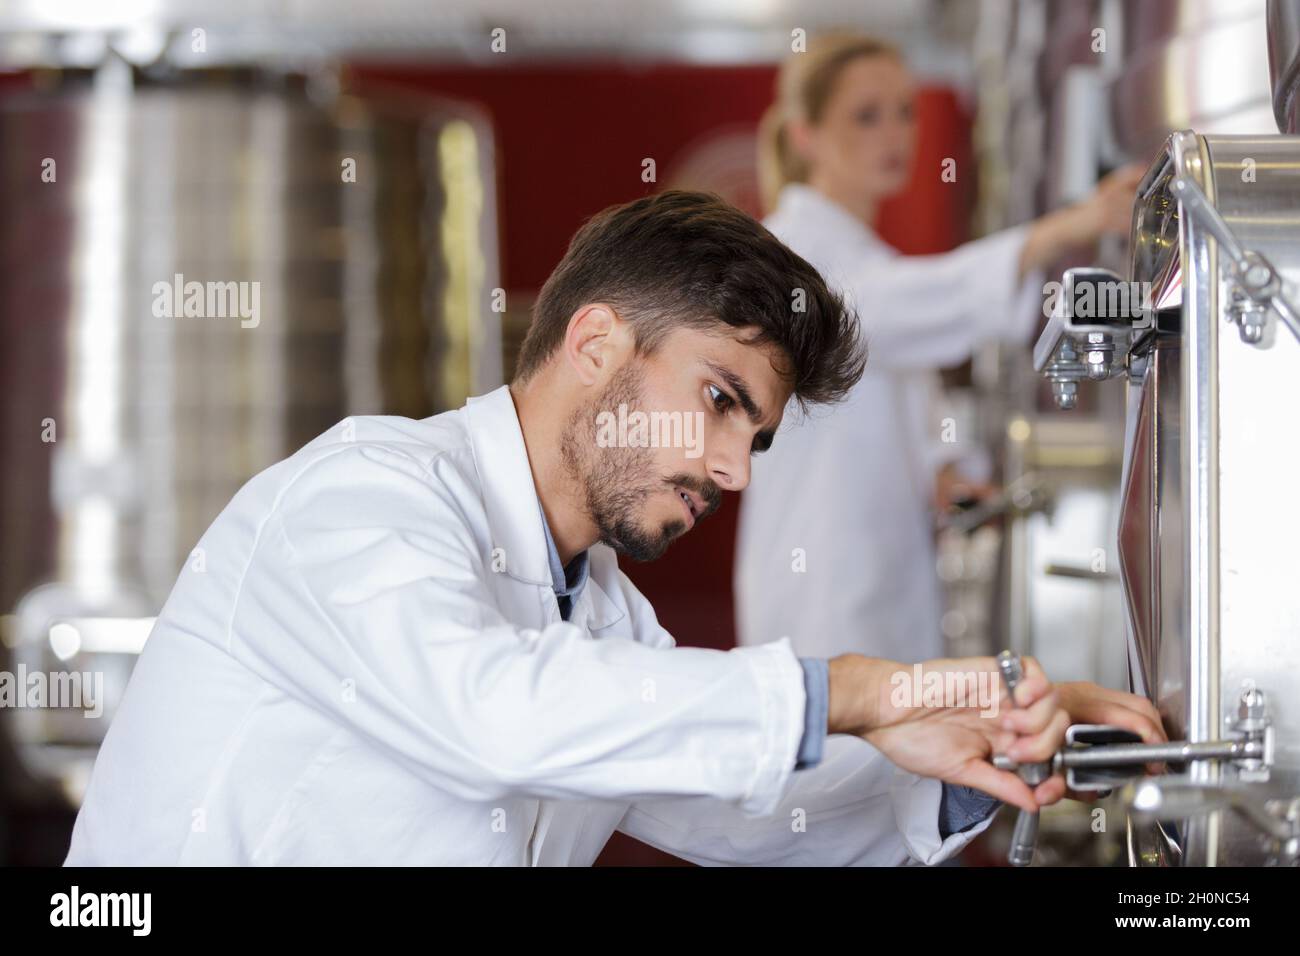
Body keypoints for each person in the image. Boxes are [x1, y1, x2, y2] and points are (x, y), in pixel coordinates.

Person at [66, 191, 1159, 866]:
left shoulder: (594, 613)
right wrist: (872, 686)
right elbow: (495, 713)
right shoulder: (362, 497)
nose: (734, 469)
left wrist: (974, 754)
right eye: (722, 399)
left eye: (758, 438)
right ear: (595, 343)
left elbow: (744, 813)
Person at [735, 32, 1143, 664]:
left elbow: (903, 395)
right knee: (838, 744)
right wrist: (1071, 225)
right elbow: (877, 312)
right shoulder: (788, 253)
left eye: (905, 111)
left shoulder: (865, 254)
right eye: (866, 116)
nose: (895, 134)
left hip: (879, 574)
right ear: (805, 134)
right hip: (824, 579)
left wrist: (943, 469)